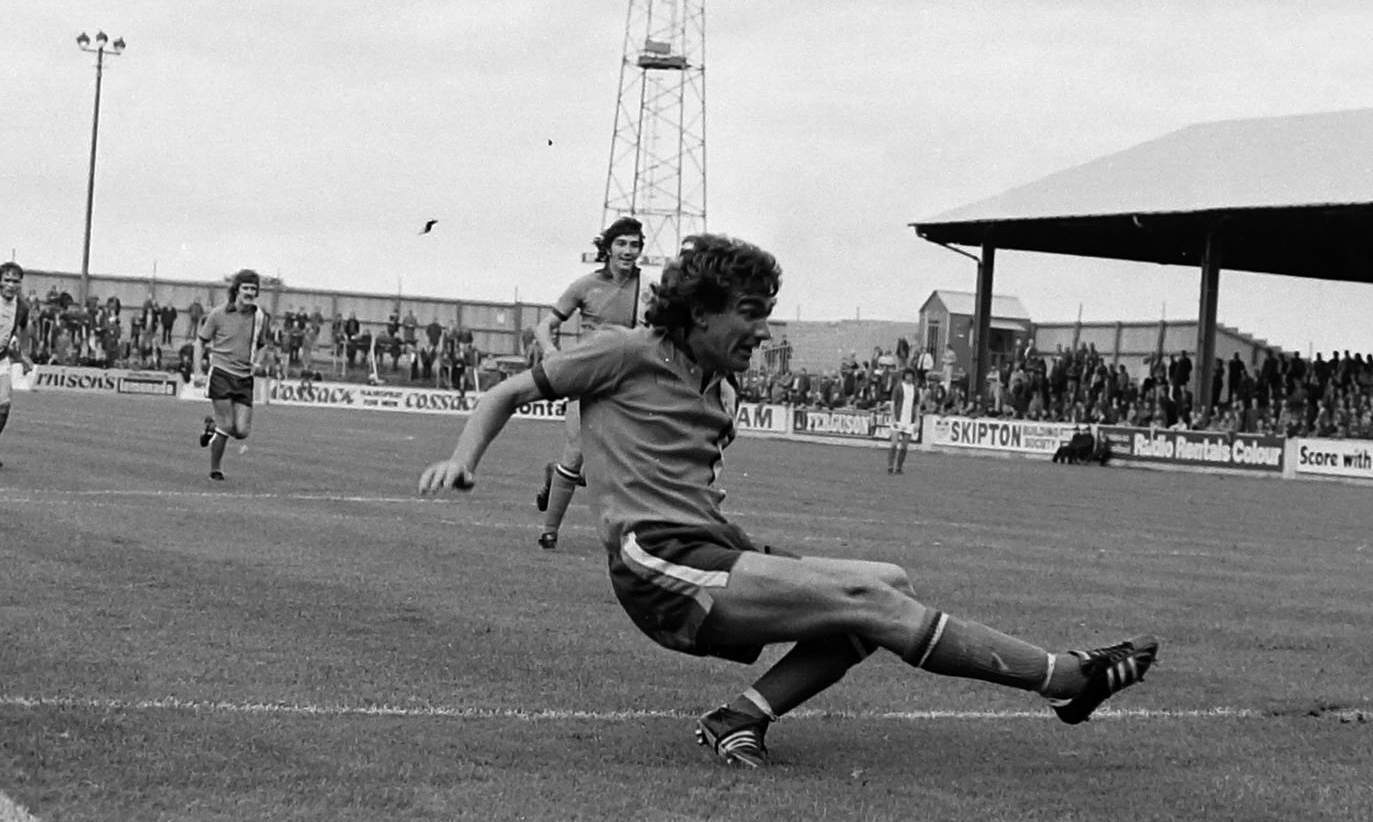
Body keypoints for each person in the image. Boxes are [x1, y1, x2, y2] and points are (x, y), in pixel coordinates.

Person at [418, 235, 1157, 768]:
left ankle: (740, 717)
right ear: (699, 313)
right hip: (657, 559)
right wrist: (462, 459)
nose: (762, 329)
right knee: (872, 596)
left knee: (887, 584)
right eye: (748, 311)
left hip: (710, 547)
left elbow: (687, 466)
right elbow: (509, 390)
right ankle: (1065, 677)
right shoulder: (629, 349)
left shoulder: (721, 388)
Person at [531, 217, 647, 549]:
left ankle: (557, 478)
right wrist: (551, 351)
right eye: (622, 244)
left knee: (623, 461)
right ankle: (549, 532)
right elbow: (544, 326)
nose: (628, 251)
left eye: (634, 245)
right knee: (577, 450)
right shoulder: (585, 286)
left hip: (627, 381)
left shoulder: (649, 287)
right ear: (608, 248)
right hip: (588, 377)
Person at [195, 269, 268, 481]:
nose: (250, 292)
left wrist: (258, 362)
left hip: (244, 377)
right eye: (246, 287)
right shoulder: (218, 314)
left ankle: (211, 426)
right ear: (237, 289)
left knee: (242, 431)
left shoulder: (260, 317)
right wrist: (198, 371)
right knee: (226, 425)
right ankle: (215, 469)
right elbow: (200, 342)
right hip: (222, 373)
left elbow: (263, 345)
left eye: (253, 289)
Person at [0, 262, 33, 468]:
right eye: (7, 280)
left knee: (4, 406)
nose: (11, 285)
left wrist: (23, 356)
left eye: (15, 281)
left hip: (1, 359)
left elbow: (21, 331)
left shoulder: (21, 307)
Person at [886, 367, 921, 475]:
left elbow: (917, 405)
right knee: (894, 443)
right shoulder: (899, 387)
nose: (909, 377)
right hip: (898, 419)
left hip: (909, 421)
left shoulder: (915, 389)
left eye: (911, 375)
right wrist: (893, 417)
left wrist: (917, 420)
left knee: (904, 445)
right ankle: (890, 466)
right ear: (904, 376)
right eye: (907, 375)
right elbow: (893, 402)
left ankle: (899, 467)